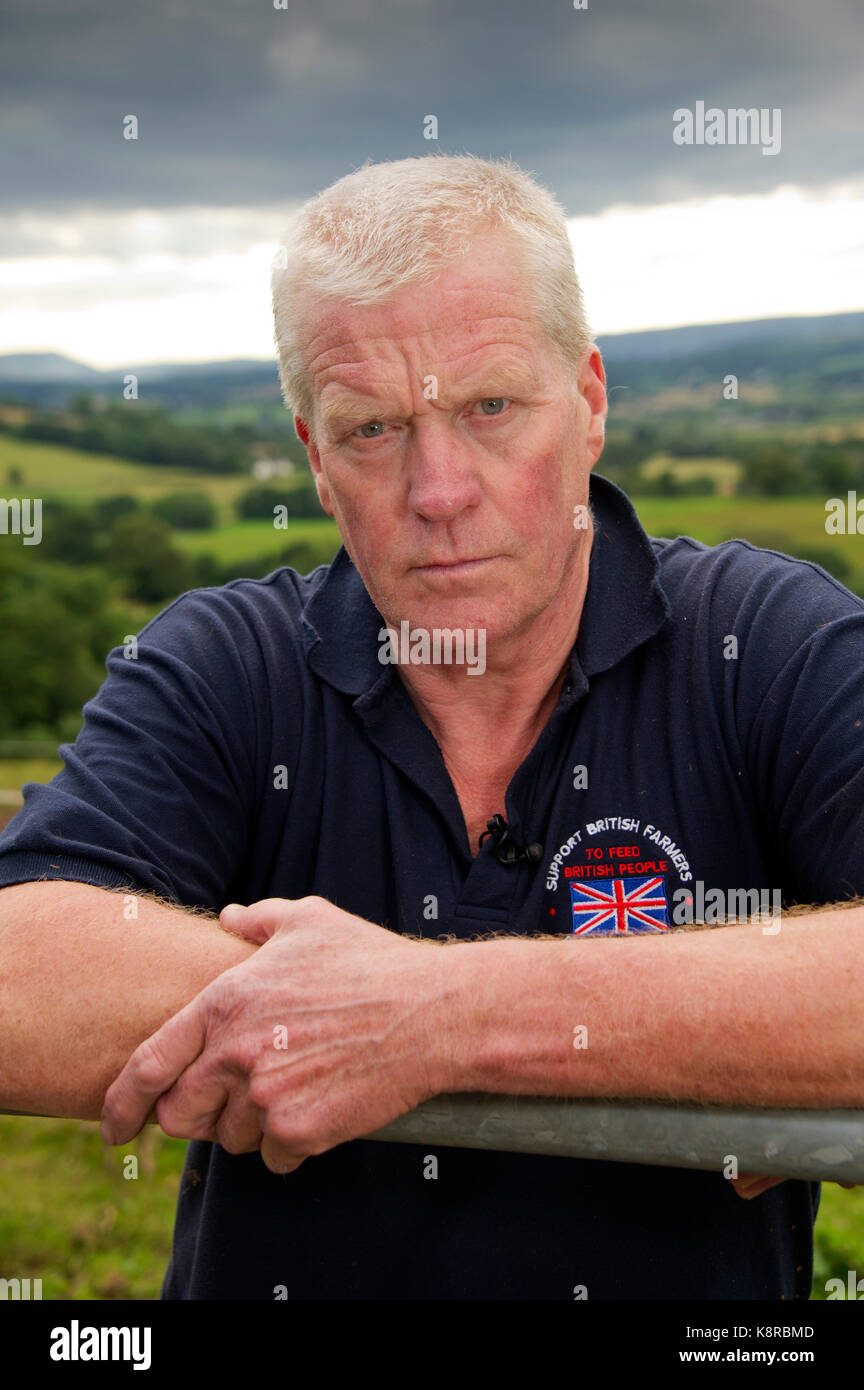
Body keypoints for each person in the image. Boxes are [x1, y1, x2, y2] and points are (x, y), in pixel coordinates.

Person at [1, 153, 863, 1301]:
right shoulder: (228, 663)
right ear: (312, 455)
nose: (440, 489)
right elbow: (23, 975)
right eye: (372, 430)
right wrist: (714, 1029)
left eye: (490, 406)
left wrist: (430, 1017)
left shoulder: (761, 642)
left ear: (592, 400)